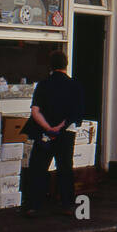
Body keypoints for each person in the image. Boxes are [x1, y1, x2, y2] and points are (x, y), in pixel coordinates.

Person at [23, 49, 86, 218]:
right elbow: (77, 113)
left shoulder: (42, 85)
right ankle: (67, 205)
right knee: (65, 168)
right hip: (65, 134)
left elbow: (35, 111)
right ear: (66, 65)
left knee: (38, 168)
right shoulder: (75, 86)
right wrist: (59, 127)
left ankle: (34, 206)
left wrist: (48, 128)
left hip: (44, 133)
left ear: (50, 66)